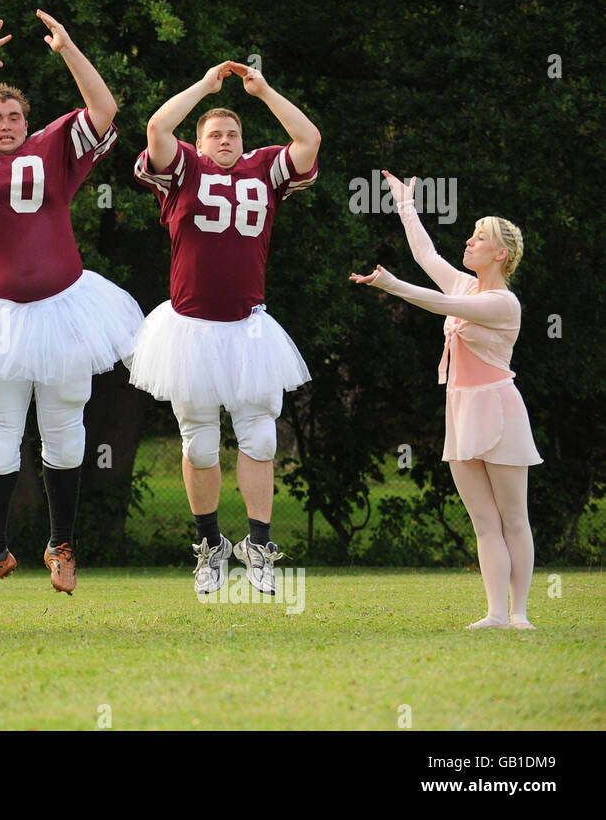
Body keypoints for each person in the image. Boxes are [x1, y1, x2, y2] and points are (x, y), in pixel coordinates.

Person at [0, 14, 143, 600]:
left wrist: (69, 48)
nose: (7, 124)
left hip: (66, 307)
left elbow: (105, 108)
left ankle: (61, 544)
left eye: (15, 116)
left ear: (28, 121)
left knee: (65, 433)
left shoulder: (52, 147)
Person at [132, 61, 320, 597]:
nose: (225, 140)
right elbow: (157, 130)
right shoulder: (183, 167)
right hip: (189, 327)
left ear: (244, 140)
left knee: (260, 434)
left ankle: (258, 543)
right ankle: (210, 543)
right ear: (200, 140)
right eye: (215, 133)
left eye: (233, 133)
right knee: (200, 444)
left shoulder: (264, 168)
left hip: (249, 327)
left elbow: (308, 138)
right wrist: (204, 87)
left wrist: (264, 92)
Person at [352, 171, 540, 630]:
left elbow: (442, 306)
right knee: (483, 520)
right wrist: (405, 204)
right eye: (472, 236)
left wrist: (390, 285)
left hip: (499, 409)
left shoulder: (503, 303)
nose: (470, 243)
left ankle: (519, 614)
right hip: (460, 409)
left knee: (514, 517)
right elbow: (425, 254)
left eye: (480, 239)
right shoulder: (463, 285)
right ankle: (495, 613)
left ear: (502, 254)